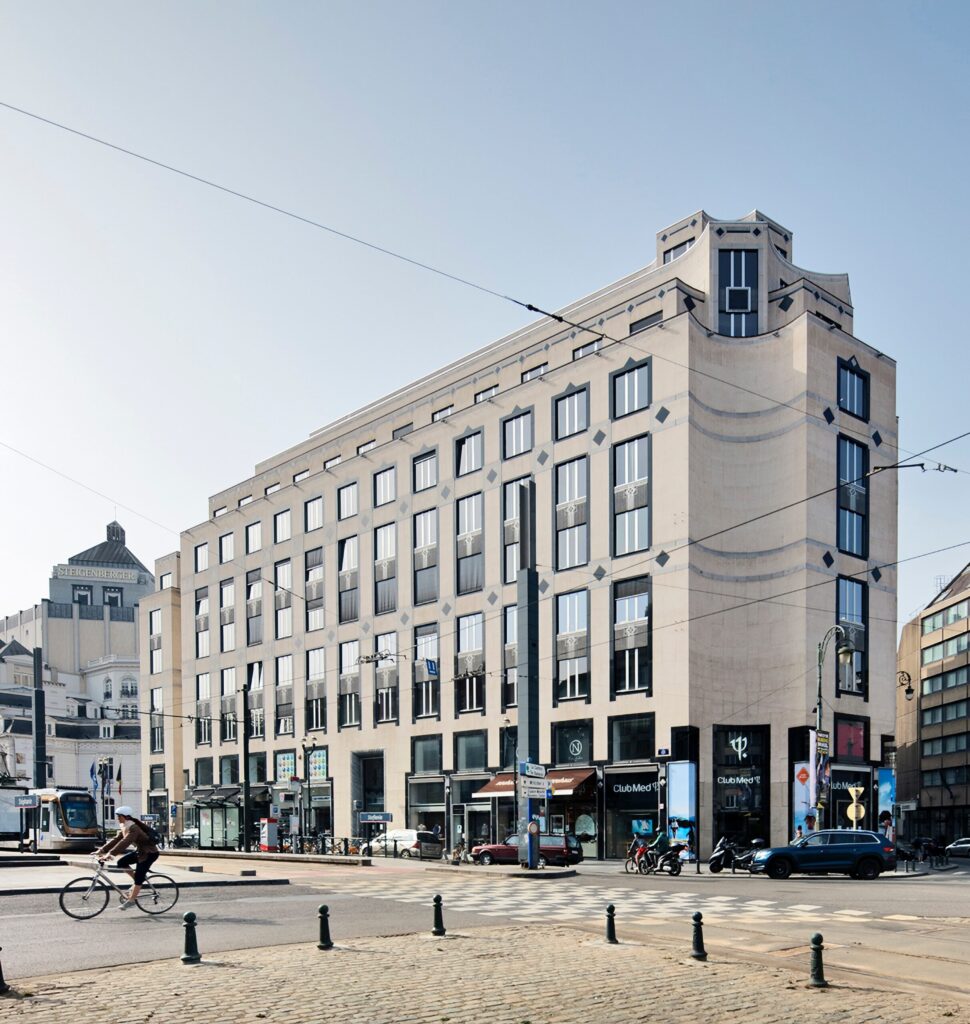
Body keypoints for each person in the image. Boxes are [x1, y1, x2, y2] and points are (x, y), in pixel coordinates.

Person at [95, 806, 160, 910]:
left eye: (119, 816)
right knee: (121, 863)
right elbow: (117, 839)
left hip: (149, 854)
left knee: (139, 876)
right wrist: (102, 850)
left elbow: (126, 842)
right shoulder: (126, 826)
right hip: (140, 852)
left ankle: (132, 900)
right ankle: (137, 882)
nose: (117, 819)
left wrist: (111, 854)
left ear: (125, 816)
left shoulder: (134, 828)